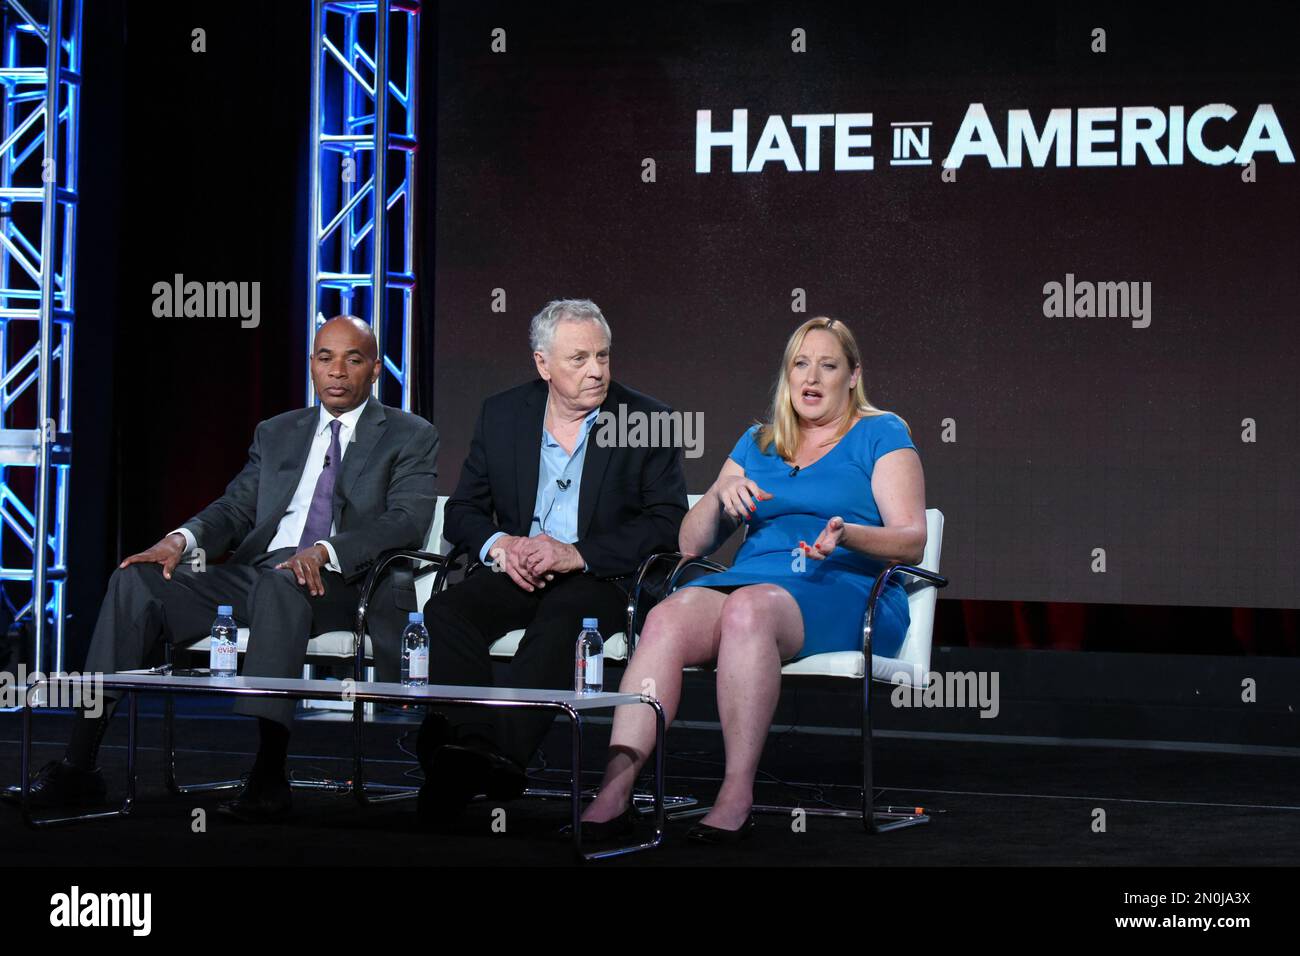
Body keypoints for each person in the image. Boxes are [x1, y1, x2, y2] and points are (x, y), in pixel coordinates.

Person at [10, 316, 439, 822]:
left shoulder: (410, 434)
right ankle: (79, 763)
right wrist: (179, 539)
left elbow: (406, 521)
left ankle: (268, 770)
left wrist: (324, 550)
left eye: (353, 359)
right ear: (311, 366)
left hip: (349, 584)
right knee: (134, 582)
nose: (337, 371)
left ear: (373, 371)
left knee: (283, 584)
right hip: (260, 574)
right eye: (325, 358)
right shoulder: (278, 431)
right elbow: (235, 508)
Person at [579, 316, 927, 843]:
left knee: (750, 609)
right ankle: (616, 787)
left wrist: (849, 534)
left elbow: (911, 539)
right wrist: (720, 496)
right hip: (752, 579)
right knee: (667, 614)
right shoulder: (756, 442)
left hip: (846, 584)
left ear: (853, 376)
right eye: (799, 365)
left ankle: (736, 792)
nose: (811, 378)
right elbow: (692, 545)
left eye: (827, 365)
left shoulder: (881, 432)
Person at [415, 298, 688, 825]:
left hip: (600, 577)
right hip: (519, 568)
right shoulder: (503, 413)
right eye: (579, 358)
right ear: (543, 364)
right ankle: (470, 748)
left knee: (563, 617)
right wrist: (502, 545)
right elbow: (465, 509)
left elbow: (665, 523)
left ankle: (506, 755)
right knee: (448, 611)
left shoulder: (645, 420)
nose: (596, 371)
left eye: (603, 357)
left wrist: (577, 553)